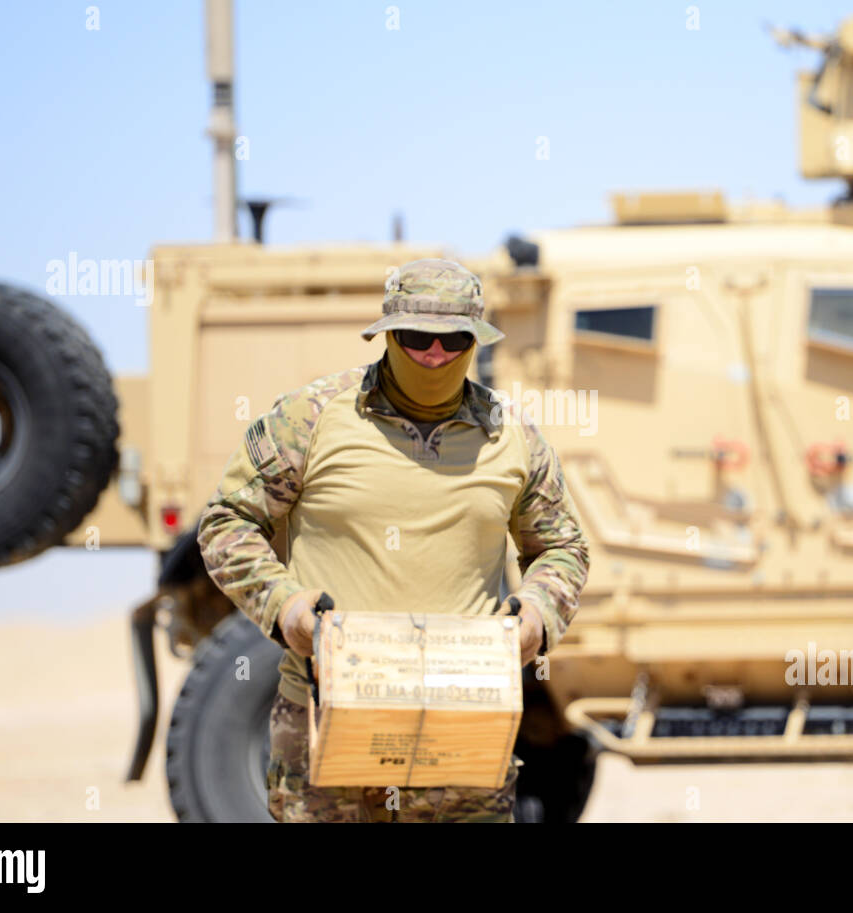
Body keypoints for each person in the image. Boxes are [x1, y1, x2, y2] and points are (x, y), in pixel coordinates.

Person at [197, 258, 590, 822]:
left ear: (475, 341)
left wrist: (538, 611)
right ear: (387, 334)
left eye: (453, 340)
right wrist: (283, 605)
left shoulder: (512, 436)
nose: (434, 355)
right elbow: (227, 520)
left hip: (463, 721)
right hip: (325, 717)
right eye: (417, 338)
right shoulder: (310, 418)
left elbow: (563, 547)